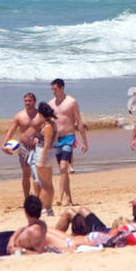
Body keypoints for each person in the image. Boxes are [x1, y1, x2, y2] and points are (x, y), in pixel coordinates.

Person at [49, 78, 88, 206]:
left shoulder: (71, 102)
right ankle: (69, 199)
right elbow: (48, 124)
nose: (53, 92)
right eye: (52, 90)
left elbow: (79, 122)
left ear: (62, 88)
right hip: (56, 139)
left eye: (55, 89)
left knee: (63, 167)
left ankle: (60, 197)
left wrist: (84, 142)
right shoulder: (51, 104)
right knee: (63, 171)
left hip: (68, 138)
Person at [1, 92, 46, 202]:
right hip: (23, 148)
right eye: (26, 101)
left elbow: (48, 129)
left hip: (37, 147)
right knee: (26, 174)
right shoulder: (19, 116)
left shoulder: (40, 115)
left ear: (34, 102)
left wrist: (40, 137)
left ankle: (37, 198)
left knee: (37, 174)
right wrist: (4, 144)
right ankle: (27, 199)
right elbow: (11, 130)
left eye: (30, 101)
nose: (27, 103)